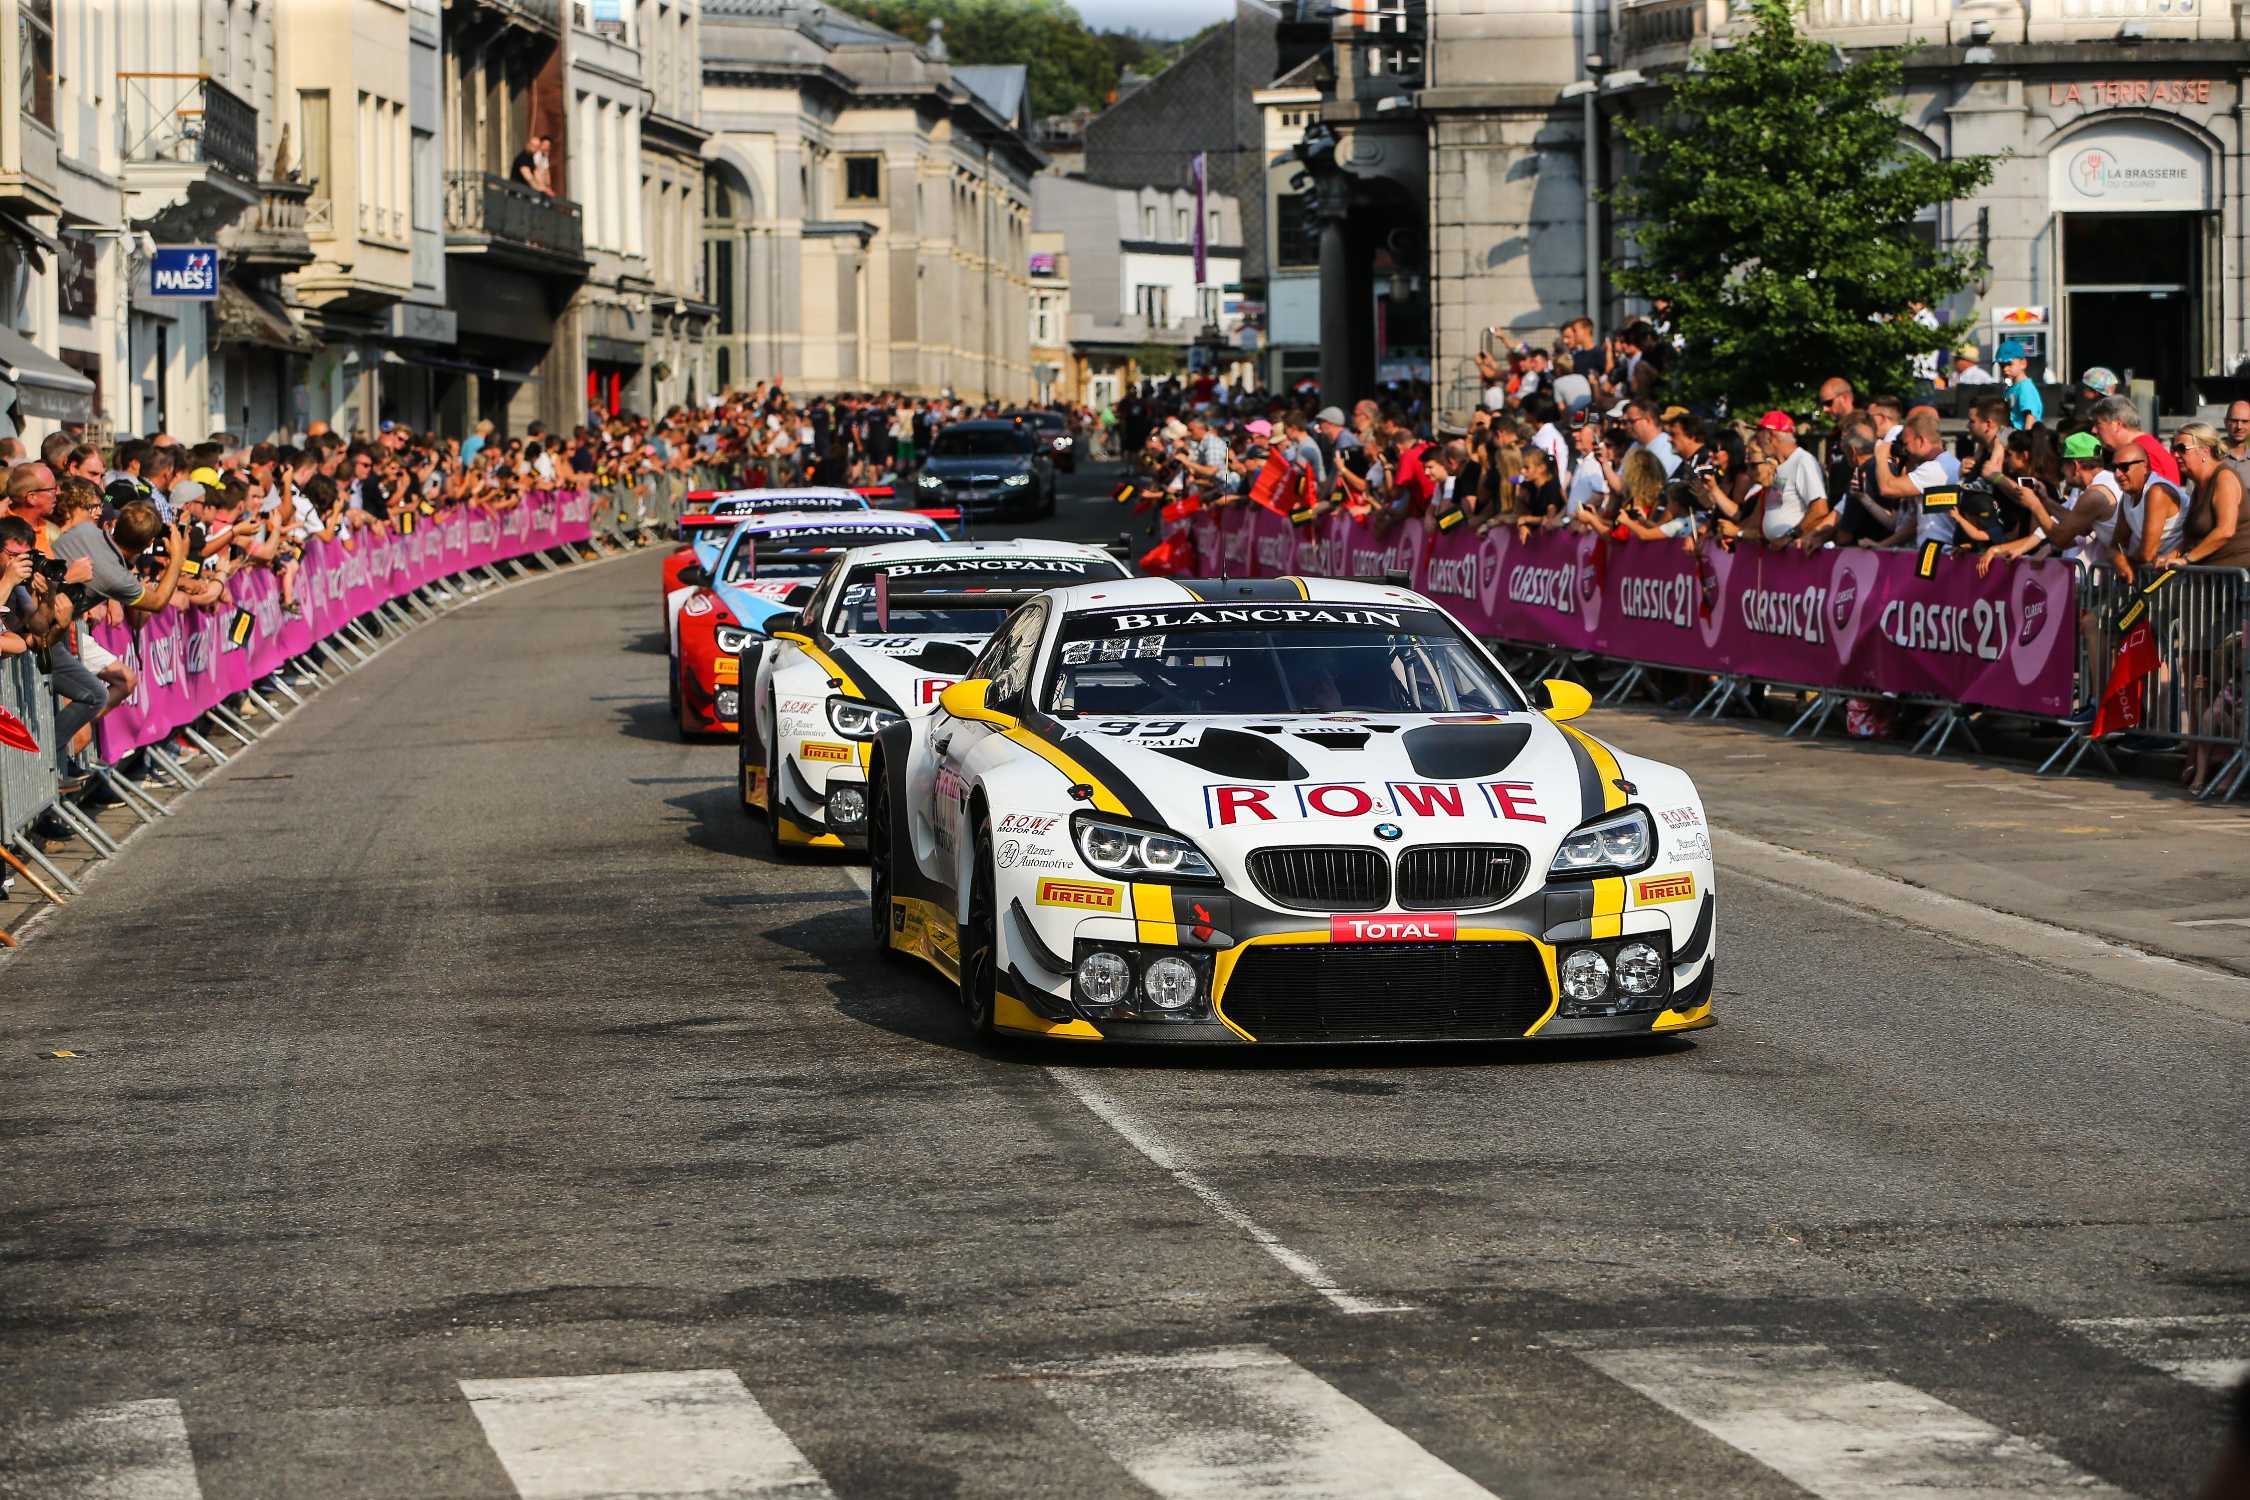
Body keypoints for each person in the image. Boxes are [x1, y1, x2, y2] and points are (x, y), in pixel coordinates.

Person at [1876, 406, 1963, 549]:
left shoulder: (1934, 469)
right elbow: (1913, 525)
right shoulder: (1946, 463)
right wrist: (1882, 545)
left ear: (1921, 441)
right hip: (1940, 552)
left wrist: (1881, 454)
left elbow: (1887, 488)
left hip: (1937, 553)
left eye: (1906, 445)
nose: (1905, 451)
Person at [2108, 439, 2188, 586]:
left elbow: (2147, 553)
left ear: (2144, 466)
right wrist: (2119, 559)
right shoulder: (2128, 494)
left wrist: (2125, 560)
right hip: (2154, 578)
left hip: (2178, 581)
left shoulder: (2157, 491)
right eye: (2114, 468)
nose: (2118, 474)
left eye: (2124, 467)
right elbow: (2116, 543)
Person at [1751, 410, 1825, 547]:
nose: (1756, 441)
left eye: (1758, 434)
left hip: (1795, 553)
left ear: (1770, 436)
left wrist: (1789, 536)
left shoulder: (1803, 461)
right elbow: (1776, 508)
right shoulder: (1780, 465)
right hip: (1779, 553)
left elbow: (1820, 509)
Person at [2086, 394, 2182, 488]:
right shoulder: (2145, 446)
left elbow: (2158, 498)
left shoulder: (2143, 452)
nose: (2093, 430)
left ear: (2117, 424)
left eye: (2098, 424)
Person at [1997, 340, 2042, 429]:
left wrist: (2025, 439)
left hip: (2022, 436)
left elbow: (2030, 417)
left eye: (2009, 364)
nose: (2005, 369)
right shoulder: (2010, 388)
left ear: (2023, 364)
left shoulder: (2025, 387)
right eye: (2002, 365)